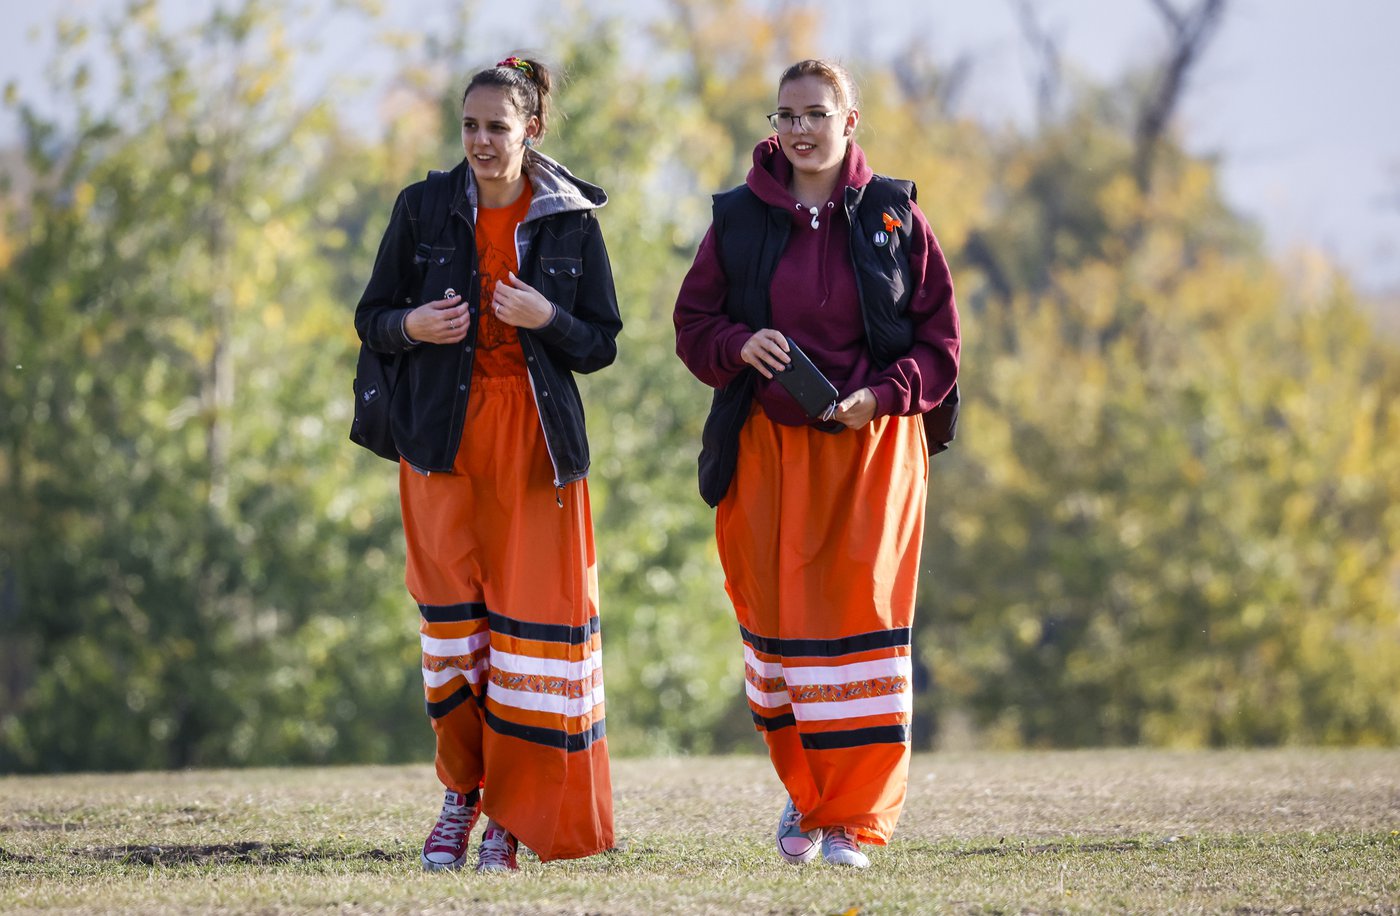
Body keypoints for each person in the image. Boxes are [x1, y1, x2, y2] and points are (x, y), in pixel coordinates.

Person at [673, 59, 959, 869]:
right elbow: (694, 325)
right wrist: (740, 343)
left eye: (816, 114)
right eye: (786, 114)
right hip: (767, 449)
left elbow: (942, 344)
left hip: (874, 449)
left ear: (849, 121)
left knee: (860, 628)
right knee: (775, 636)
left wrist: (885, 394)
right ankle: (805, 793)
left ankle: (854, 822)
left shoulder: (898, 217)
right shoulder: (736, 218)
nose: (799, 129)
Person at [354, 55, 620, 874]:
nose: (480, 140)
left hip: (536, 451)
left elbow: (601, 343)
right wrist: (412, 328)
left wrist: (546, 316)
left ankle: (513, 811)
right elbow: (371, 318)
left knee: (529, 637)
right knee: (452, 632)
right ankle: (459, 793)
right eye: (469, 126)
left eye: (496, 127)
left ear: (531, 128)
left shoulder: (571, 220)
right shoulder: (422, 206)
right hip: (441, 442)